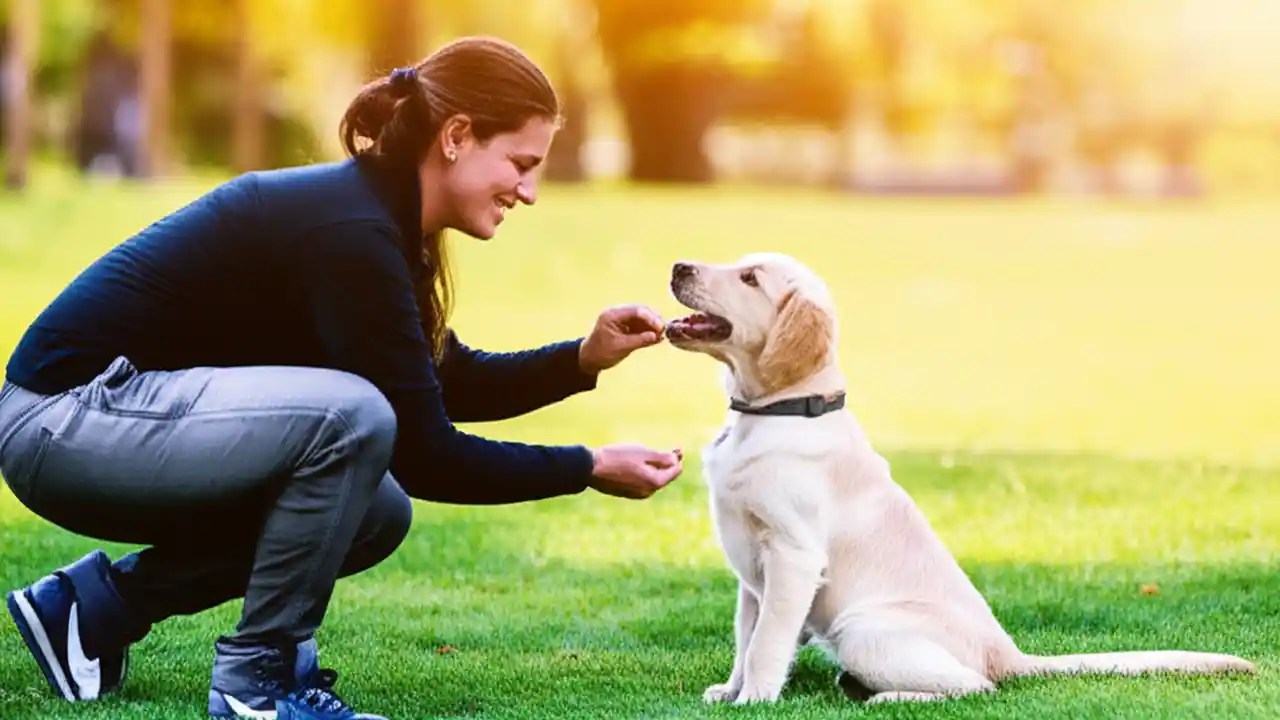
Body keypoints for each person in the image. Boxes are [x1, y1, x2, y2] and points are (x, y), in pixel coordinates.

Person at [0, 36, 682, 720]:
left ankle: (94, 611)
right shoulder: (349, 229)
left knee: (375, 510)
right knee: (352, 417)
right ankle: (258, 683)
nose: (528, 193)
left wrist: (582, 359)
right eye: (521, 164)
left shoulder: (375, 220)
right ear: (457, 136)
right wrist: (587, 465)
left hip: (106, 423)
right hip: (66, 422)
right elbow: (424, 451)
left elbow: (434, 383)